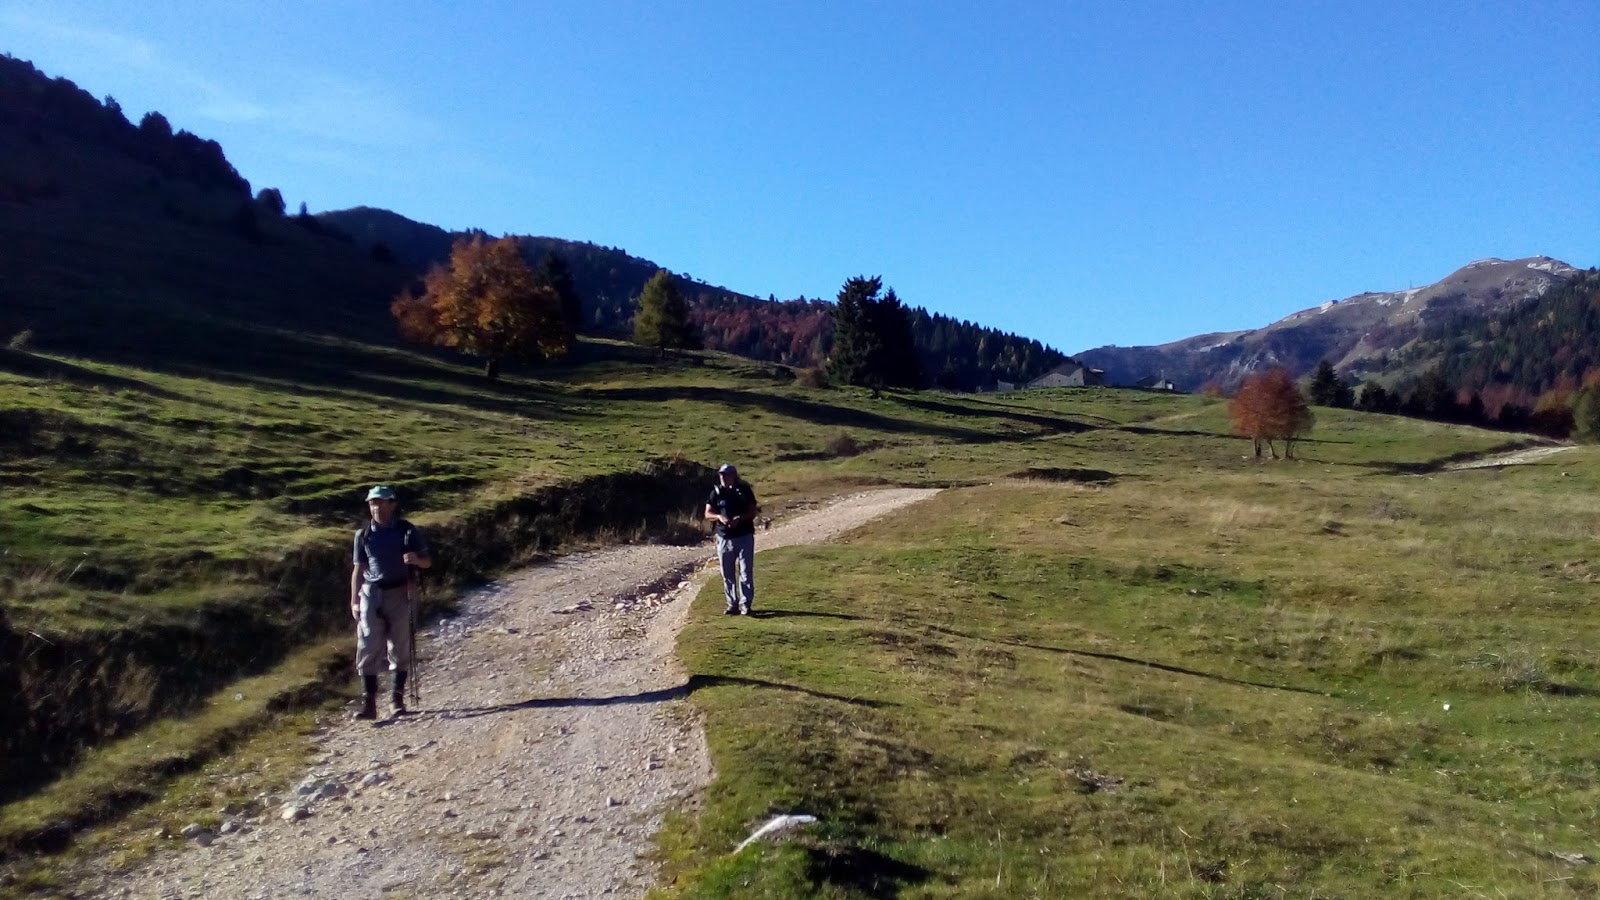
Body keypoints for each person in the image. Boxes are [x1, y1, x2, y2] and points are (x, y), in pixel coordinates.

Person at [350, 485, 432, 719]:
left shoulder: (407, 531)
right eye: (373, 503)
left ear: (392, 504)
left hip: (401, 591)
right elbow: (358, 569)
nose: (376, 507)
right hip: (371, 592)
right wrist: (354, 601)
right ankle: (369, 704)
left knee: (400, 645)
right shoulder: (363, 535)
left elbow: (427, 562)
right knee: (367, 645)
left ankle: (396, 700)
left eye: (381, 502)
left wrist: (416, 560)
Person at [705, 463, 760, 615]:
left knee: (745, 572)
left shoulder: (744, 490)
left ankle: (746, 605)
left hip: (744, 536)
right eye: (721, 475)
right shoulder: (716, 492)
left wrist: (739, 518)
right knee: (727, 573)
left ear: (734, 476)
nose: (723, 477)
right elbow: (708, 513)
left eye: (726, 474)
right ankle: (732, 604)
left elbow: (753, 511)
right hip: (724, 537)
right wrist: (719, 517)